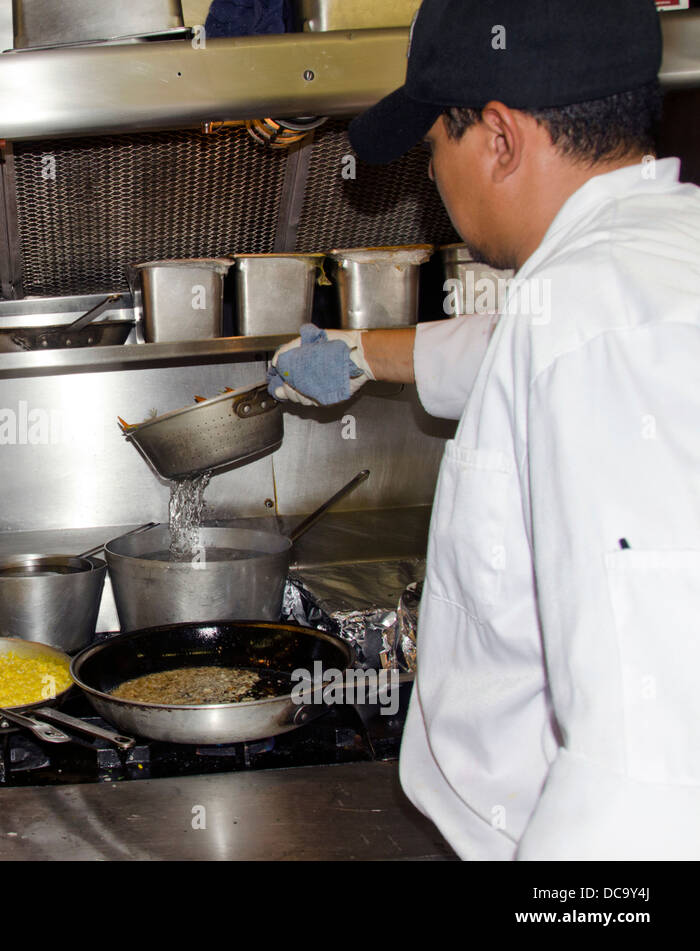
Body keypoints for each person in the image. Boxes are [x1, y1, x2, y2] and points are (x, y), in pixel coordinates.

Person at [269, 0, 700, 859]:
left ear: (498, 140)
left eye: (434, 149)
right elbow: (509, 352)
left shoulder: (591, 326)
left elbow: (651, 763)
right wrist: (357, 353)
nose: (433, 177)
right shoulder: (651, 253)